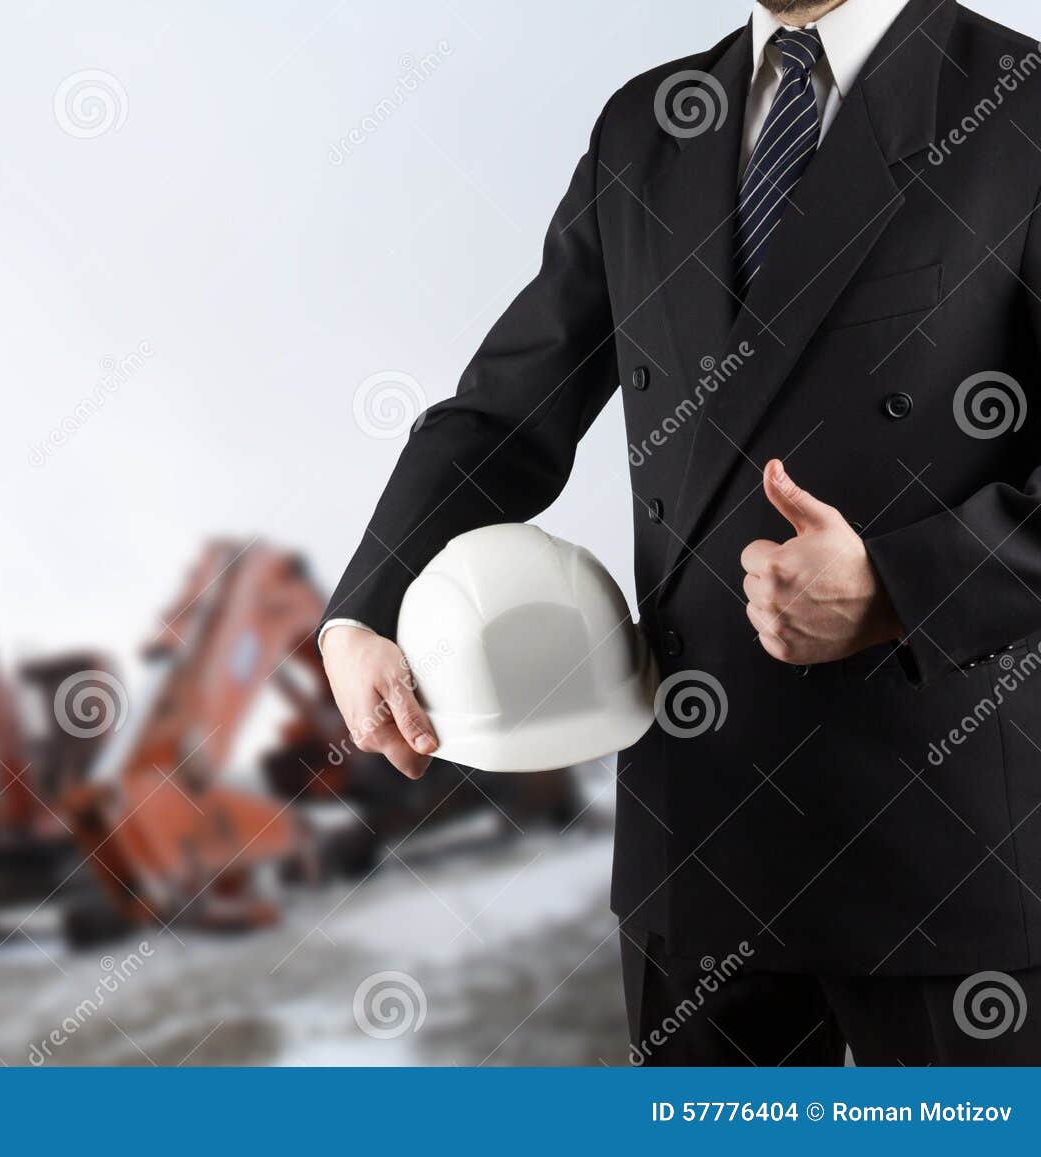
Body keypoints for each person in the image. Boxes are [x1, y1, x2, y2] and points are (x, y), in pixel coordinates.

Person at [321, 0, 1041, 1064]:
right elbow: (507, 413)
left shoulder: (1018, 109)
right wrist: (361, 609)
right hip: (698, 844)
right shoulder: (647, 126)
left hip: (951, 862)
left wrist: (901, 583)